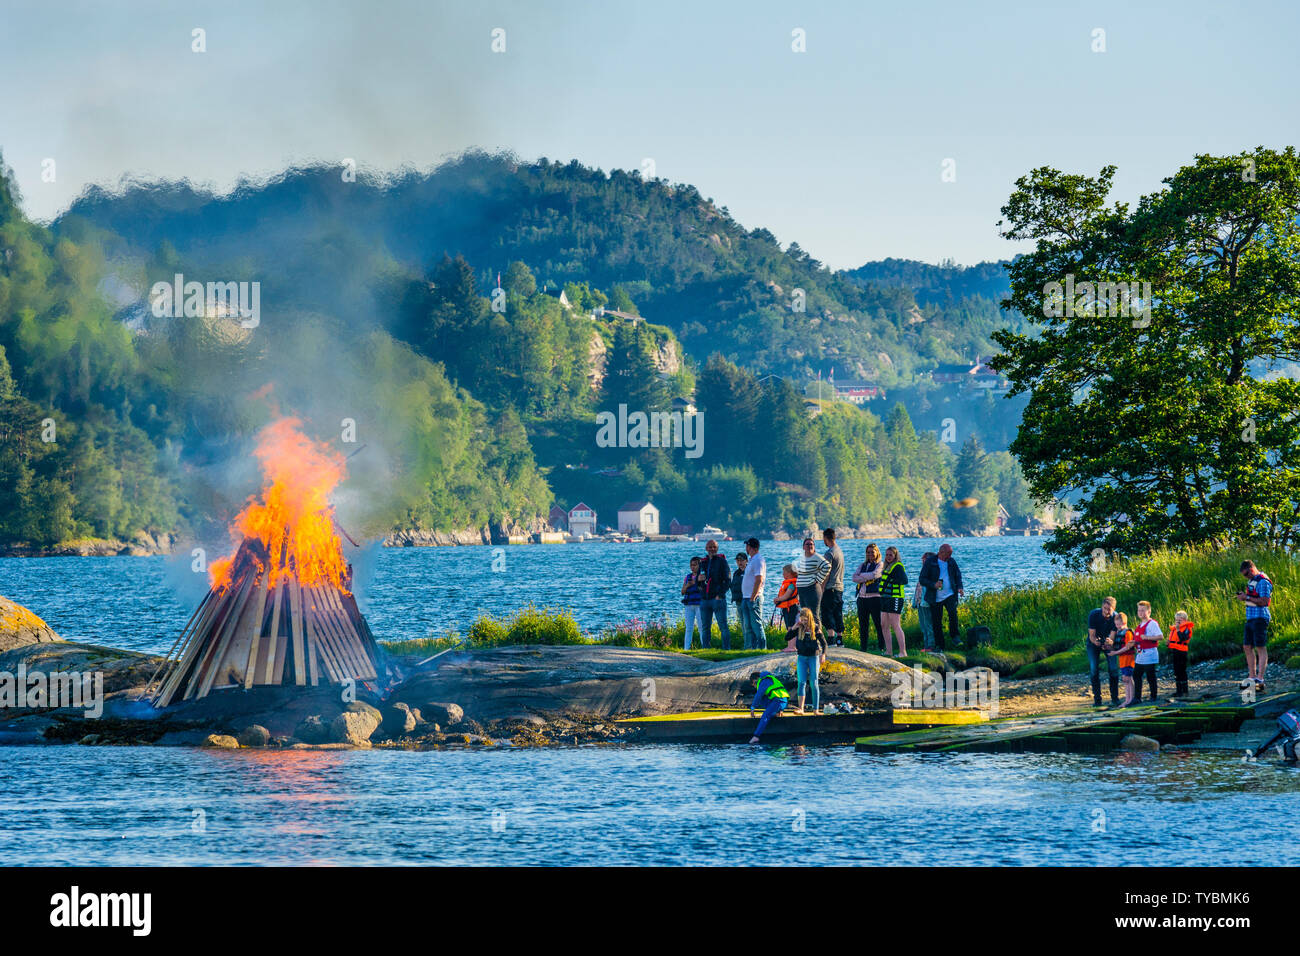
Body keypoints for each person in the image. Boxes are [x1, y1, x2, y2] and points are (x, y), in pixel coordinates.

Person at [919, 543, 964, 651]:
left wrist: (960, 587)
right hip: (935, 597)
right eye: (948, 554)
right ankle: (940, 645)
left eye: (951, 554)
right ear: (941, 552)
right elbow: (922, 579)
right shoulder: (930, 562)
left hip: (950, 594)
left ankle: (955, 637)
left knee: (953, 614)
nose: (950, 556)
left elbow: (958, 575)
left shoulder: (951, 561)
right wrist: (933, 584)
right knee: (936, 622)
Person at [1237, 560, 1273, 692]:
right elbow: (1252, 599)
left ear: (1251, 569)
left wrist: (1247, 597)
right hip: (1250, 618)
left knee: (1260, 647)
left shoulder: (1263, 582)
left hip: (1260, 618)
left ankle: (1260, 678)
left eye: (1246, 574)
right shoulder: (1251, 581)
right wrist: (1244, 597)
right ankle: (1251, 677)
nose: (1246, 577)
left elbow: (1264, 601)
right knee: (1247, 646)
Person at [790, 607, 828, 714]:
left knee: (814, 682)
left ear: (810, 619)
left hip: (813, 657)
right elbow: (787, 637)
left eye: (805, 620)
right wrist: (794, 627)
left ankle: (816, 709)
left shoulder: (815, 628)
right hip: (802, 657)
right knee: (801, 682)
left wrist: (823, 655)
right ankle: (801, 708)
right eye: (802, 620)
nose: (804, 622)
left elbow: (824, 643)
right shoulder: (799, 628)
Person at [1085, 596, 1121, 708]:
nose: (1106, 611)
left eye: (1109, 609)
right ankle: (1097, 699)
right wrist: (1096, 642)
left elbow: (1112, 636)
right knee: (1094, 669)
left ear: (1113, 608)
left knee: (1113, 669)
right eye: (1104, 608)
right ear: (1102, 607)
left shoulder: (1116, 617)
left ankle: (1115, 698)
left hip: (1108, 642)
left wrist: (1109, 642)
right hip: (1093, 642)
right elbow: (1091, 635)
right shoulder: (1094, 614)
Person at [698, 539, 731, 650]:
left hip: (718, 599)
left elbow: (728, 580)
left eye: (714, 547)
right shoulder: (703, 562)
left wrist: (720, 594)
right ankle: (706, 649)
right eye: (710, 547)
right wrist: (699, 580)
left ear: (717, 548)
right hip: (705, 599)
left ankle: (726, 649)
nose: (712, 549)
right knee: (705, 627)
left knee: (723, 626)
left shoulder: (722, 562)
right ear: (706, 548)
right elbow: (698, 582)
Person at [852, 543, 885, 652]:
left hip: (875, 598)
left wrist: (862, 576)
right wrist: (865, 577)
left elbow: (875, 575)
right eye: (868, 552)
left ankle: (882, 647)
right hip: (862, 599)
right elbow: (854, 577)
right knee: (863, 625)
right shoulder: (862, 565)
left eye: (872, 552)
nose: (870, 554)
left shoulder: (880, 565)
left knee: (879, 624)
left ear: (877, 552)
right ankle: (863, 648)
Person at [879, 546, 908, 658]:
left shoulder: (898, 567)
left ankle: (903, 652)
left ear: (895, 556)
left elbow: (905, 580)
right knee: (883, 625)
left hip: (895, 598)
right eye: (887, 555)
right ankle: (889, 651)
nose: (888, 557)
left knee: (895, 625)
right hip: (885, 598)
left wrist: (892, 579)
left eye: (891, 555)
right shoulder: (886, 567)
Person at [1132, 600, 1162, 703]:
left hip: (1150, 653)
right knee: (1136, 675)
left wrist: (1147, 637)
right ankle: (1137, 698)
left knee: (1150, 676)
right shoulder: (1139, 625)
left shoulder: (1152, 623)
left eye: (1143, 610)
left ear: (1149, 611)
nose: (1140, 613)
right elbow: (1139, 639)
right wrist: (1133, 643)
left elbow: (1160, 636)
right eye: (1139, 610)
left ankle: (1153, 696)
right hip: (1140, 654)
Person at [794, 537, 831, 621]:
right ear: (803, 547)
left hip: (812, 590)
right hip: (801, 590)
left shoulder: (817, 557)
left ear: (814, 546)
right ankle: (808, 634)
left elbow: (827, 566)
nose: (809, 546)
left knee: (813, 615)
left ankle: (819, 634)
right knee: (804, 616)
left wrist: (818, 579)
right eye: (807, 544)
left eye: (811, 544)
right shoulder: (801, 557)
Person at [748, 669, 790, 743]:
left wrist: (752, 707)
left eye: (754, 685)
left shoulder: (763, 680)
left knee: (765, 716)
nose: (755, 687)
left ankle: (756, 736)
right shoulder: (770, 678)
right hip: (783, 701)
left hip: (778, 701)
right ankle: (777, 712)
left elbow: (759, 695)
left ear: (755, 680)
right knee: (764, 700)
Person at [739, 538, 766, 650]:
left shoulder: (758, 560)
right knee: (748, 627)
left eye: (747, 546)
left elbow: (759, 579)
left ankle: (761, 648)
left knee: (756, 625)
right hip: (746, 597)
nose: (746, 548)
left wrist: (753, 596)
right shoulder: (752, 560)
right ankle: (752, 648)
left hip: (753, 597)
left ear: (750, 547)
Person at [821, 528, 846, 647]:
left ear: (826, 538)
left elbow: (826, 572)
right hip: (839, 587)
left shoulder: (829, 553)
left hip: (830, 587)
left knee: (827, 612)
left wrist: (822, 587)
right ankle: (840, 640)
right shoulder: (839, 551)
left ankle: (830, 639)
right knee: (838, 613)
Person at [1108, 612, 1137, 707]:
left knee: (1128, 678)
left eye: (1119, 624)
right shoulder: (1119, 632)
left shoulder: (1127, 633)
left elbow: (1128, 647)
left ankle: (1130, 699)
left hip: (1128, 660)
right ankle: (1127, 699)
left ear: (1124, 623)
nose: (1117, 627)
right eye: (1116, 625)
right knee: (1125, 680)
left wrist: (1115, 653)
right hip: (1122, 660)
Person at [912, 550, 937, 650]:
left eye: (925, 559)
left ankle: (931, 645)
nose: (922, 560)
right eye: (923, 559)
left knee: (929, 625)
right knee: (923, 626)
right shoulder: (923, 571)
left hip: (926, 602)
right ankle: (926, 645)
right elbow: (918, 589)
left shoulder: (933, 572)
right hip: (920, 602)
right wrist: (914, 602)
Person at [1168, 610, 1195, 698]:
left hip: (1182, 651)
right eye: (1176, 620)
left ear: (1184, 620)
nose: (1177, 622)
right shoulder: (1175, 629)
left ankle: (1185, 691)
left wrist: (1179, 629)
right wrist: (1169, 642)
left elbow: (1183, 638)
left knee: (1182, 671)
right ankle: (1179, 691)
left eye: (1179, 620)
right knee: (1176, 671)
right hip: (1175, 651)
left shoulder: (1187, 628)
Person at [681, 556, 704, 650]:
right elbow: (682, 592)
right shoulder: (688, 577)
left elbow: (704, 589)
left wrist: (696, 583)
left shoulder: (702, 576)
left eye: (695, 565)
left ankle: (704, 647)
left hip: (699, 604)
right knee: (689, 627)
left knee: (701, 627)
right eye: (691, 565)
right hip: (689, 605)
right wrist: (687, 585)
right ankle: (686, 648)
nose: (692, 567)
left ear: (699, 565)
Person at [730, 551, 747, 625]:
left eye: (742, 560)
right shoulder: (736, 573)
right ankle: (745, 637)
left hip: (746, 601)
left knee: (747, 624)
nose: (740, 562)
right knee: (743, 623)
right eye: (738, 560)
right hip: (738, 601)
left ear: (746, 561)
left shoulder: (748, 571)